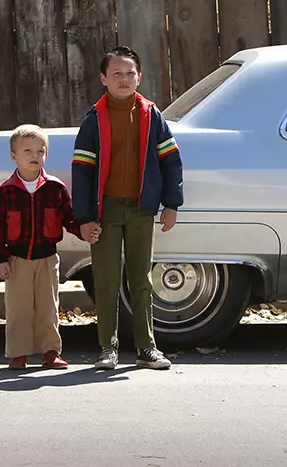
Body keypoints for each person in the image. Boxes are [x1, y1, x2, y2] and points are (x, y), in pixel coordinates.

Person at [71, 46, 183, 371]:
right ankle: (108, 348)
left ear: (139, 76)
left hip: (141, 210)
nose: (124, 79)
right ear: (104, 78)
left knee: (141, 279)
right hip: (104, 212)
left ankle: (147, 348)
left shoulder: (151, 115)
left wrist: (172, 203)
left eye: (130, 73)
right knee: (105, 280)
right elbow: (82, 170)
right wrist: (84, 217)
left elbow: (171, 161)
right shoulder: (94, 119)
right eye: (116, 74)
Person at [0, 124, 87, 370]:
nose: (35, 156)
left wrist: (85, 230)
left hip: (47, 258)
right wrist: (0, 258)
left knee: (48, 307)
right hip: (17, 259)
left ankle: (50, 351)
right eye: (28, 151)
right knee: (19, 308)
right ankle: (18, 353)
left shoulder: (55, 188)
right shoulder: (6, 192)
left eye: (40, 151)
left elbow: (69, 218)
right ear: (14, 157)